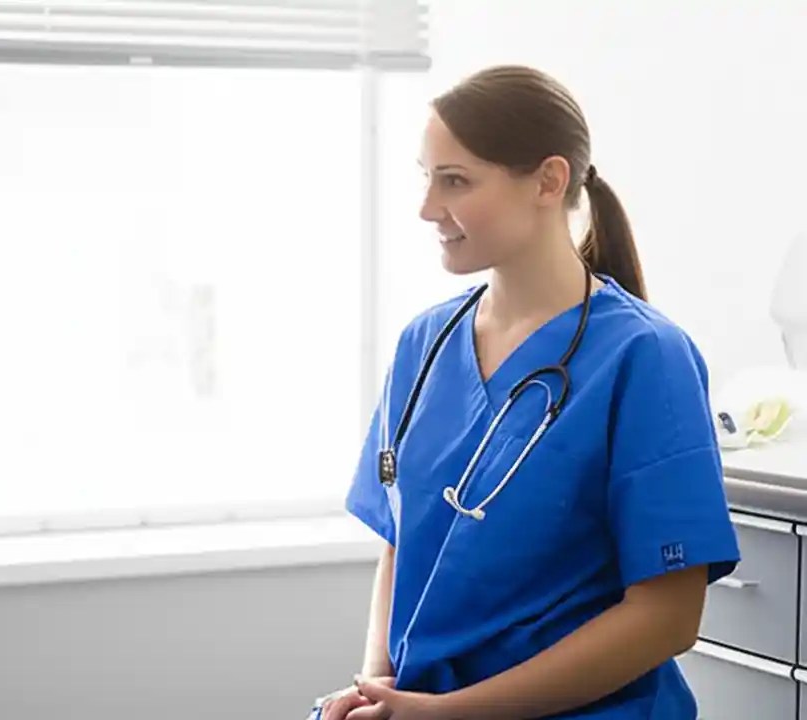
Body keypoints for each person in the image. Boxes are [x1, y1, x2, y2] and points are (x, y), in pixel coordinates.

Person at [317, 65, 740, 720]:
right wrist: (378, 686)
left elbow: (668, 618)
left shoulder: (645, 358)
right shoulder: (423, 344)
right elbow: (402, 543)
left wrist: (445, 714)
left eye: (454, 180)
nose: (427, 207)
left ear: (548, 181)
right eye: (426, 177)